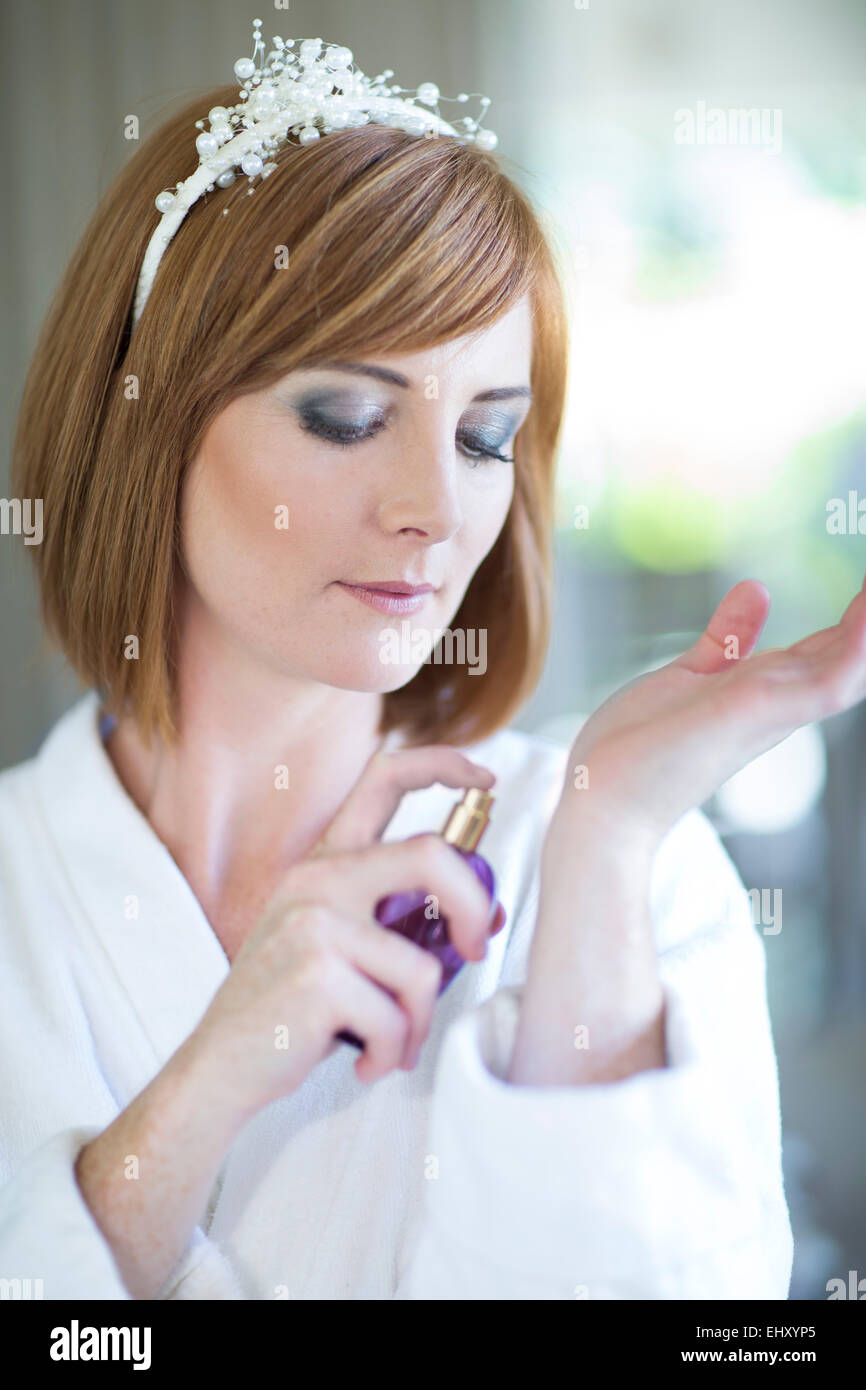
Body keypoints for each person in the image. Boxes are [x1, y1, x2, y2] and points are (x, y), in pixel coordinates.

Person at [2, 27, 862, 1302]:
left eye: (482, 435)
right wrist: (212, 1076)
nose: (433, 507)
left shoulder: (628, 875)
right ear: (146, 418)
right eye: (345, 415)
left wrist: (604, 838)